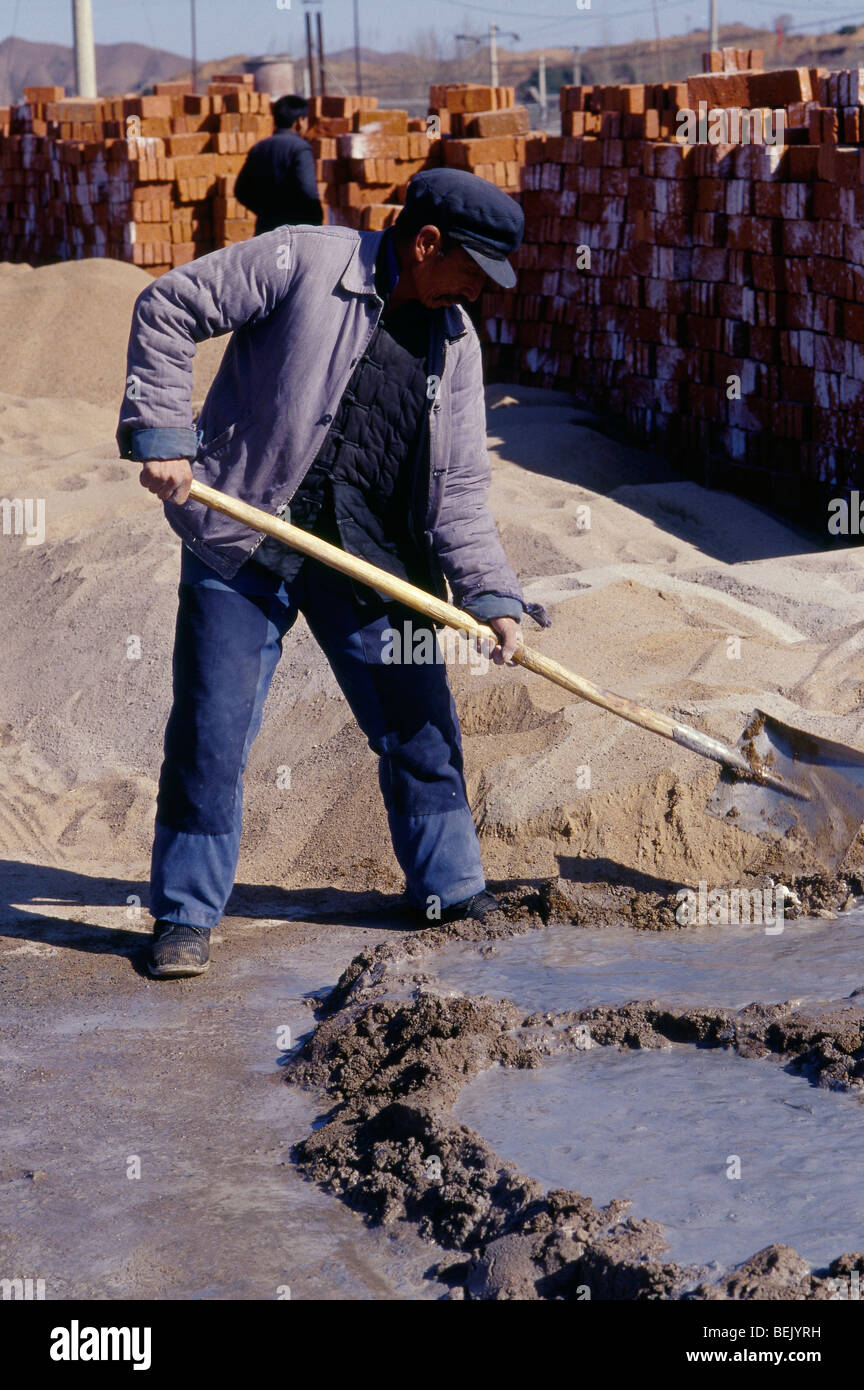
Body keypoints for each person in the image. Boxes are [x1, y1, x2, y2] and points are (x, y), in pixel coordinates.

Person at [117, 167, 550, 980]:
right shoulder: (303, 262)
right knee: (211, 731)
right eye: (472, 271)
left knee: (418, 722)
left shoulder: (454, 343)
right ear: (425, 244)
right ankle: (181, 918)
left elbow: (458, 487)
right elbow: (169, 304)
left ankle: (447, 890)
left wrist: (492, 596)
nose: (479, 293)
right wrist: (164, 433)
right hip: (241, 537)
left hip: (369, 557)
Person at [233, 93, 323, 233]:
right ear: (299, 121)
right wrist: (316, 223)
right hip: (295, 233)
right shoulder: (300, 148)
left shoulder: (258, 148)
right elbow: (308, 191)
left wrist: (265, 212)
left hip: (265, 230)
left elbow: (241, 191)